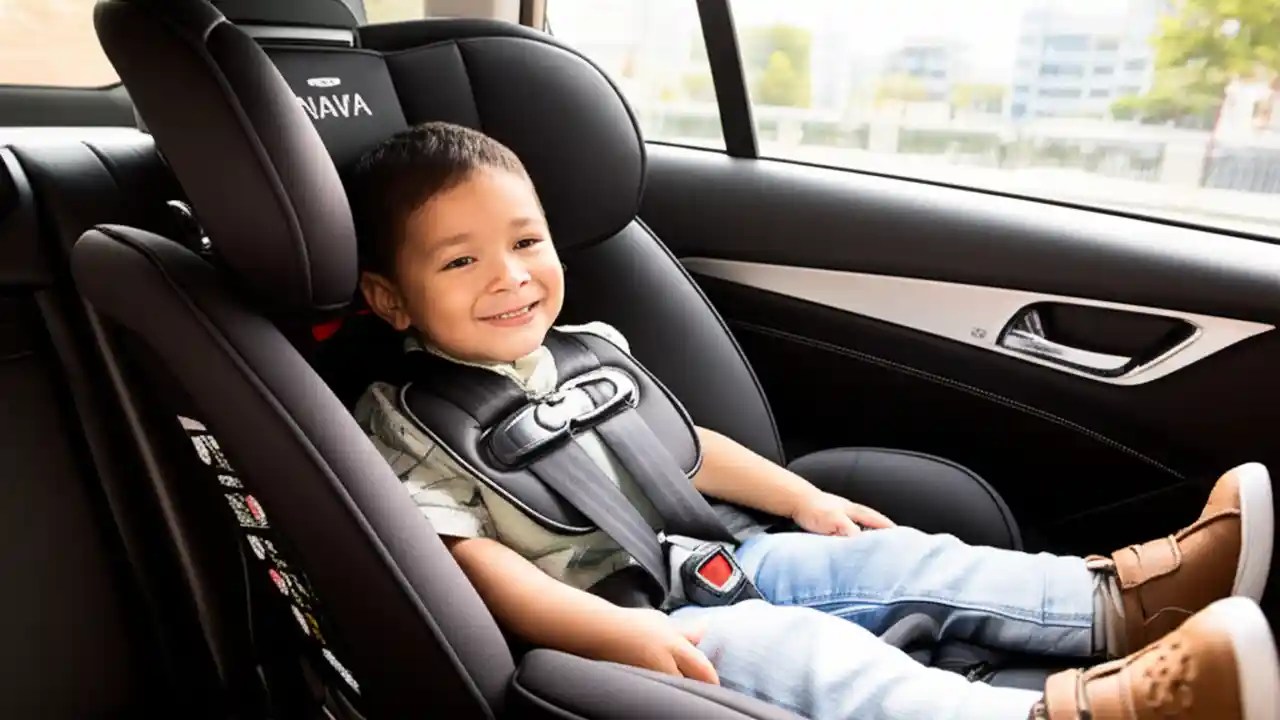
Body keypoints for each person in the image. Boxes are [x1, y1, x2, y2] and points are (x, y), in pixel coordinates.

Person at [347, 121, 1280, 720]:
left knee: (898, 556)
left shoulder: (592, 344)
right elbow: (474, 560)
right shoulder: (403, 422)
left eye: (525, 242)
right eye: (461, 263)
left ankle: (1117, 603)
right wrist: (611, 637)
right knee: (811, 653)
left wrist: (802, 497)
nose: (510, 275)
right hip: (623, 612)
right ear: (391, 301)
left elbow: (691, 453)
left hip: (718, 551)